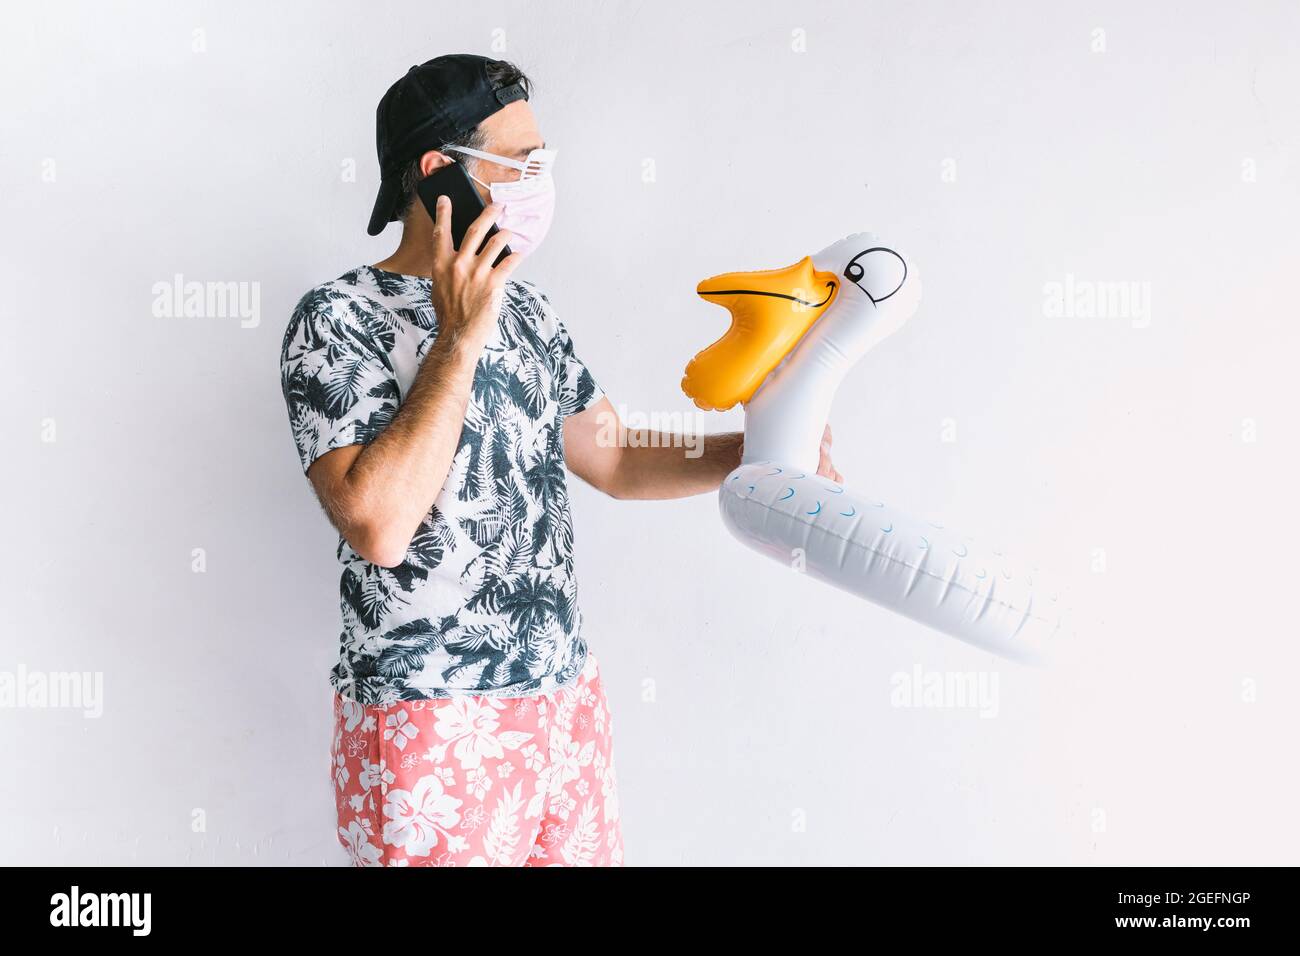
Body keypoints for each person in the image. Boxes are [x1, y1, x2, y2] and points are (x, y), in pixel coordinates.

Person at [280, 54, 839, 867]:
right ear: (441, 174)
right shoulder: (335, 319)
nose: (540, 182)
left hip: (562, 699)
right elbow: (379, 525)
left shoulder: (530, 308)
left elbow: (609, 456)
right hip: (430, 715)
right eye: (522, 164)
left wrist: (753, 453)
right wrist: (461, 334)